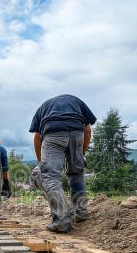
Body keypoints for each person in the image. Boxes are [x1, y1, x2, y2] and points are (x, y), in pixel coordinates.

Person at [29, 94, 96, 233]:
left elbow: (37, 136)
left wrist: (41, 162)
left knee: (51, 177)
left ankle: (61, 221)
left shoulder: (43, 107)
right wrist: (81, 155)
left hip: (53, 135)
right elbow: (88, 129)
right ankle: (81, 213)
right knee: (77, 173)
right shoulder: (76, 101)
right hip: (77, 133)